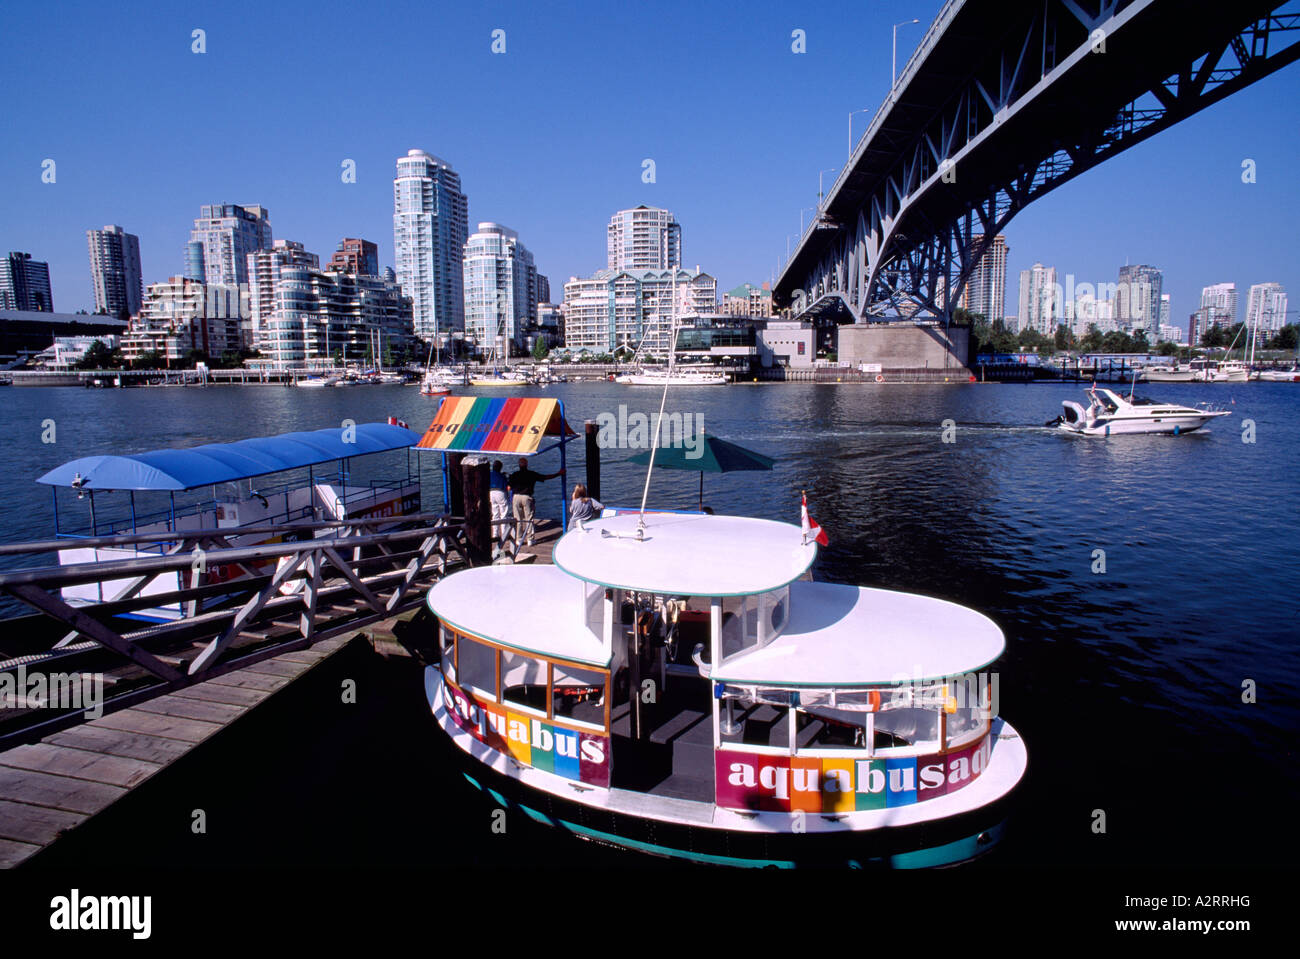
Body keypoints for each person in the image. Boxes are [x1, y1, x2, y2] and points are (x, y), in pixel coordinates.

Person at [508, 457, 560, 546]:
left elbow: (509, 487)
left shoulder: (514, 474)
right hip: (527, 497)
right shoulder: (531, 474)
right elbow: (545, 477)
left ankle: (519, 539)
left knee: (518, 519)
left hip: (516, 497)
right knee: (529, 519)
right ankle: (530, 539)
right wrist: (558, 474)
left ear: (519, 465)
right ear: (527, 465)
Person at [488, 460, 510, 545]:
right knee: (503, 513)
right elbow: (506, 485)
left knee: (495, 513)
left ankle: (495, 534)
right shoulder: (502, 476)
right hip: (500, 492)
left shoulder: (489, 474)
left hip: (491, 493)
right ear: (500, 468)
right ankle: (504, 533)